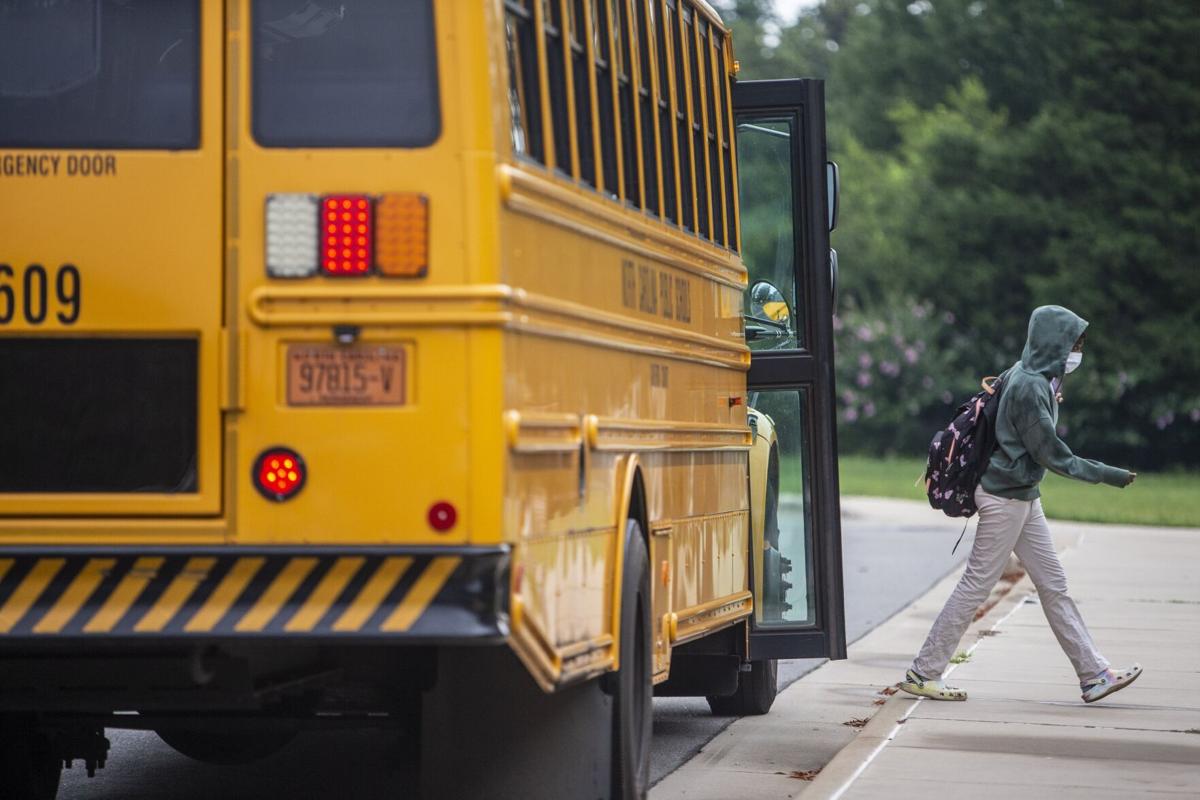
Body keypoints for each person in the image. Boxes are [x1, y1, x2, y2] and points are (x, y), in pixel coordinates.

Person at [900, 305, 1142, 704]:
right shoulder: (1030, 386)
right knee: (976, 585)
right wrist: (1107, 474)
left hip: (1021, 495)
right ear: (1053, 343)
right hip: (1004, 497)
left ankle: (1094, 674)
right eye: (1072, 344)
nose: (1075, 353)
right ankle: (924, 671)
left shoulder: (1032, 374)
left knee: (1054, 585)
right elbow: (1053, 454)